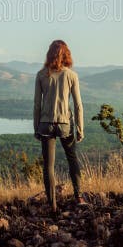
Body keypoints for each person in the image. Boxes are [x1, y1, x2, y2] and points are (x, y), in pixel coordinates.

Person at [33, 39, 86, 212]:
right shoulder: (71, 75)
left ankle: (53, 205)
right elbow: (78, 105)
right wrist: (80, 128)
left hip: (46, 125)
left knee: (48, 166)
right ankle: (78, 197)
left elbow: (37, 105)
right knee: (72, 159)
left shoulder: (41, 75)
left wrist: (36, 128)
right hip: (65, 124)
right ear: (67, 54)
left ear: (50, 54)